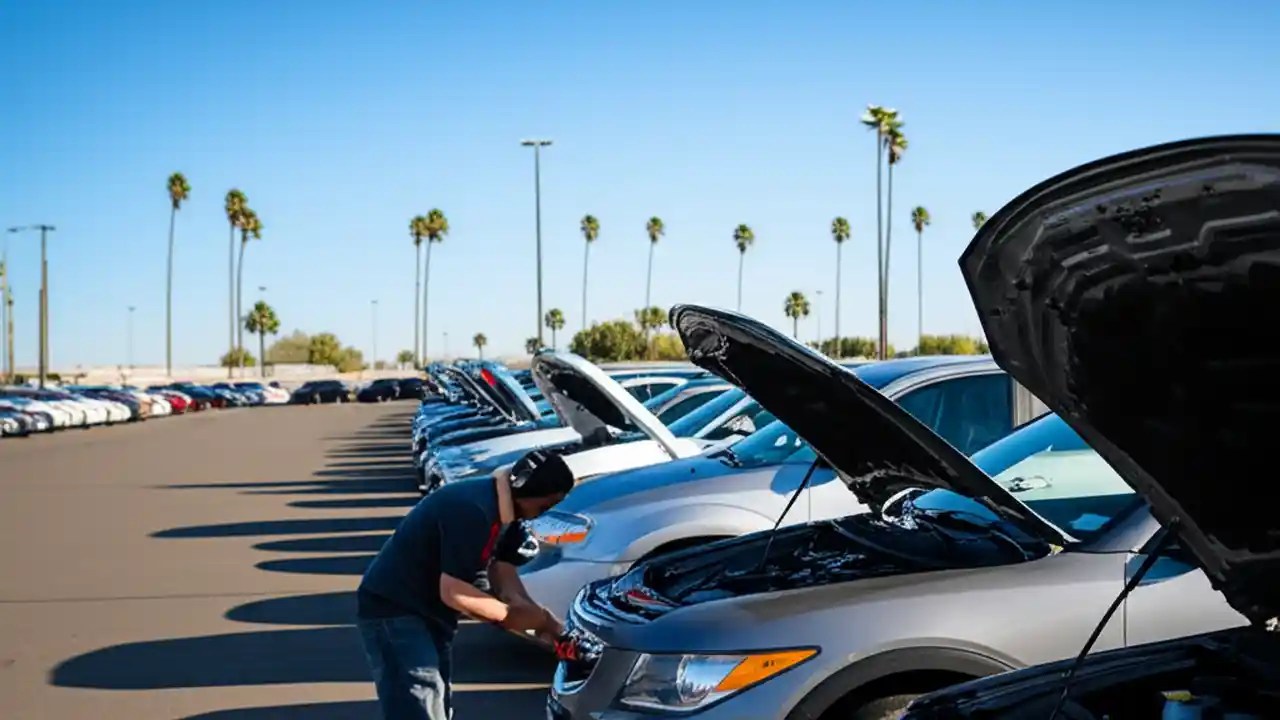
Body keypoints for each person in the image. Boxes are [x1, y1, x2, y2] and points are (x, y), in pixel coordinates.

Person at [356, 449, 572, 719]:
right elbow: (454, 592)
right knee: (419, 701)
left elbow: (503, 569)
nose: (542, 514)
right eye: (545, 506)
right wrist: (509, 616)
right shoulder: (474, 509)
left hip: (430, 612)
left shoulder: (509, 513)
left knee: (436, 700)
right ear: (529, 490)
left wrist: (545, 623)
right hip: (395, 608)